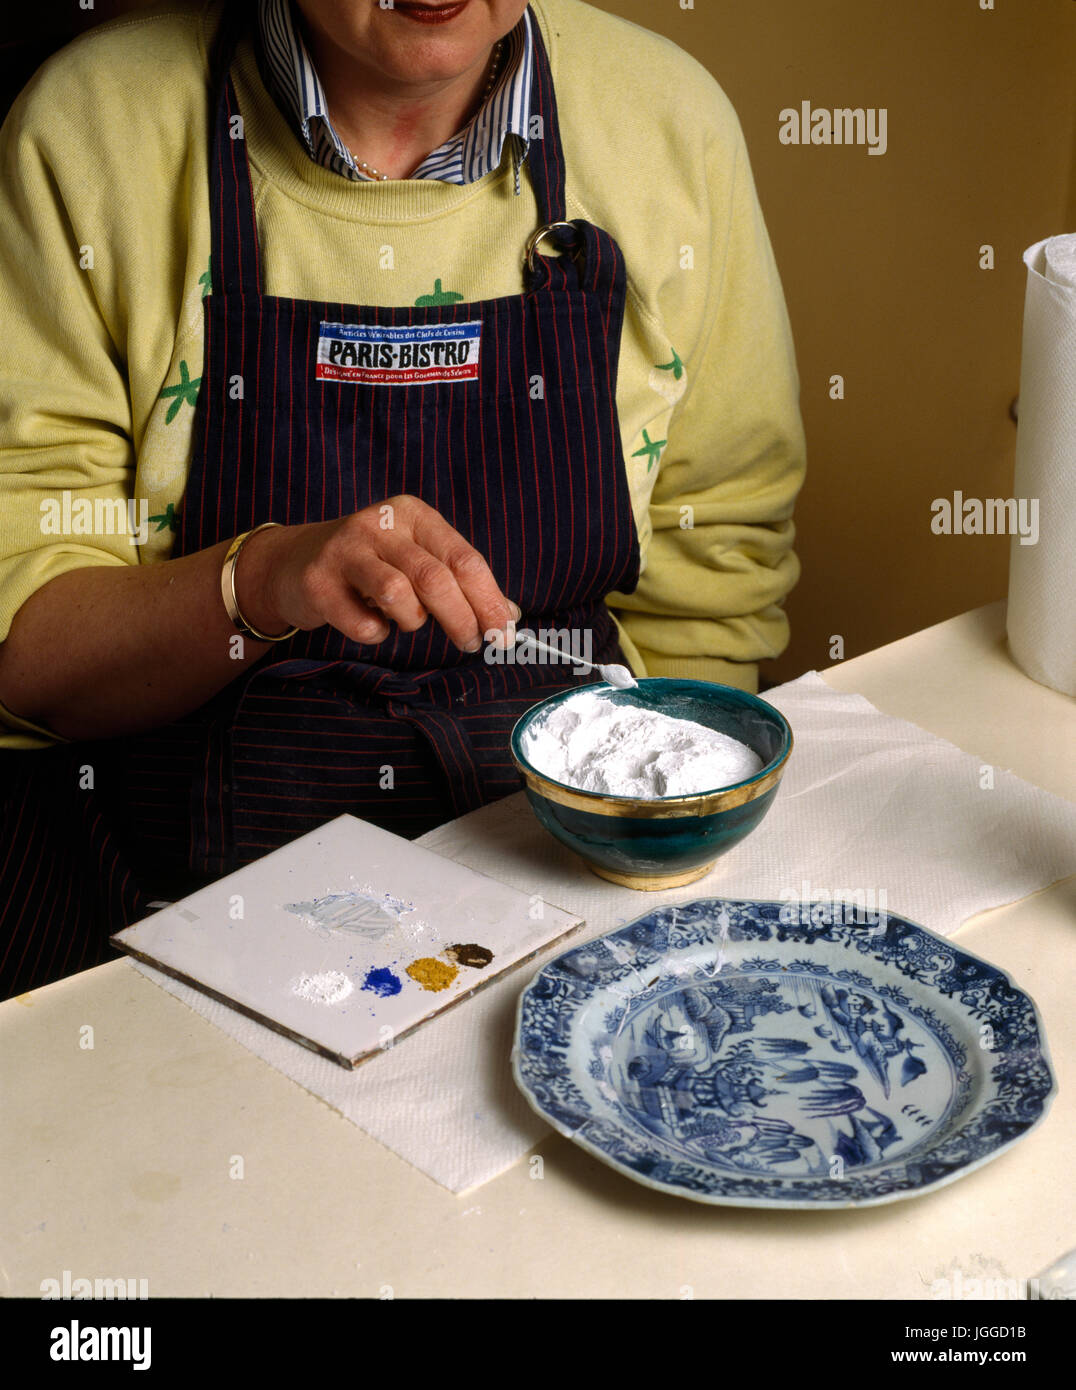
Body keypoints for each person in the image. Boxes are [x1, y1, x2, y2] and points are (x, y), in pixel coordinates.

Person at [0, 0, 806, 997]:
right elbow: (28, 653)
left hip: (553, 851)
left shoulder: (666, 122)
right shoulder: (91, 128)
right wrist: (259, 583)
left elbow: (716, 548)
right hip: (171, 873)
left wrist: (643, 846)